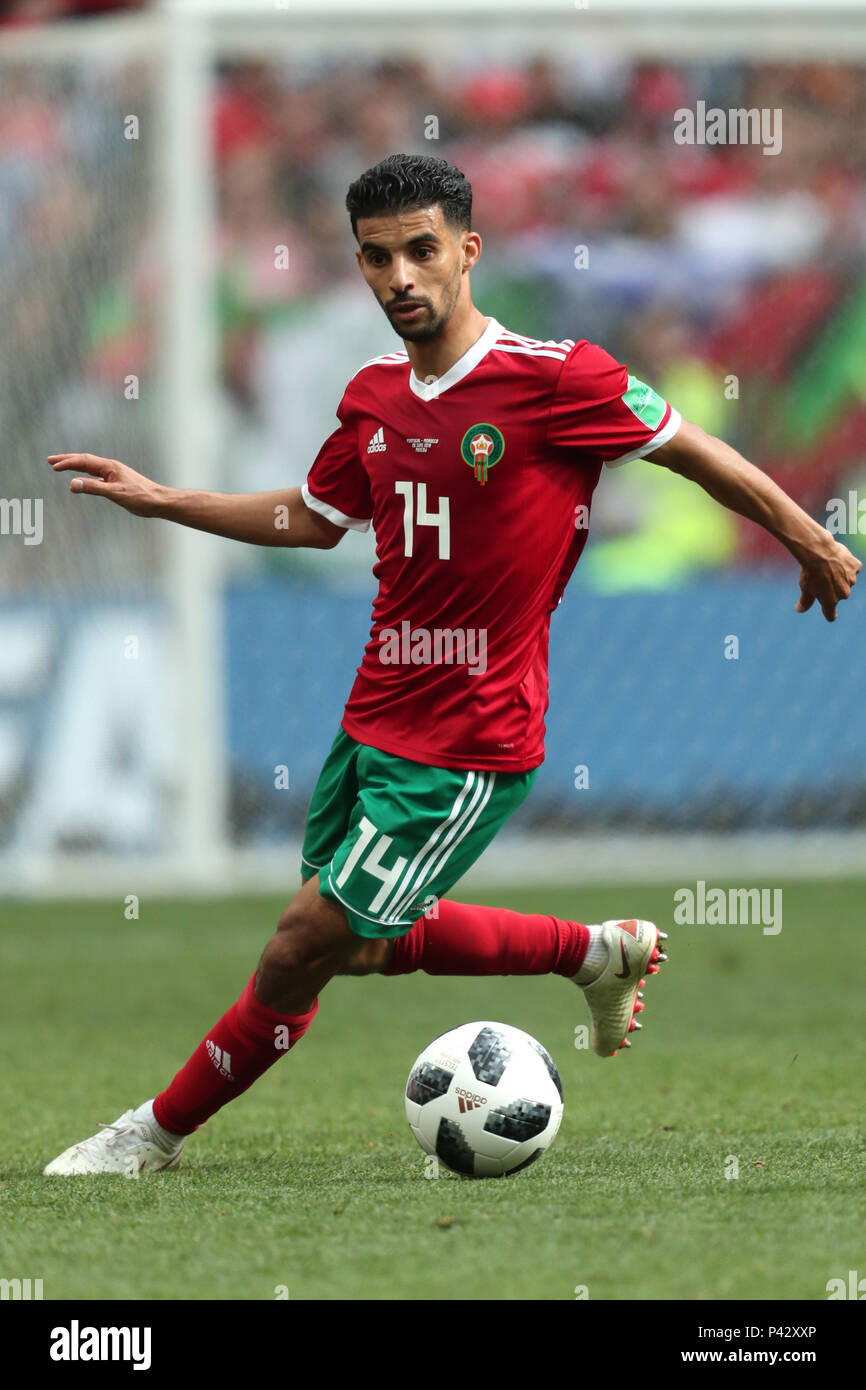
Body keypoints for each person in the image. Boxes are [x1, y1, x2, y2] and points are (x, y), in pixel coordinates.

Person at [44, 154, 859, 1176]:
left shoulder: (557, 378)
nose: (400, 276)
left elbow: (692, 448)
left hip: (470, 740)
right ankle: (597, 952)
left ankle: (147, 1137)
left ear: (467, 251)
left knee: (300, 943)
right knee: (367, 942)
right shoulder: (373, 396)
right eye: (378, 257)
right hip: (371, 717)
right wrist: (166, 499)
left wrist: (804, 535)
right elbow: (312, 517)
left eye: (421, 250)